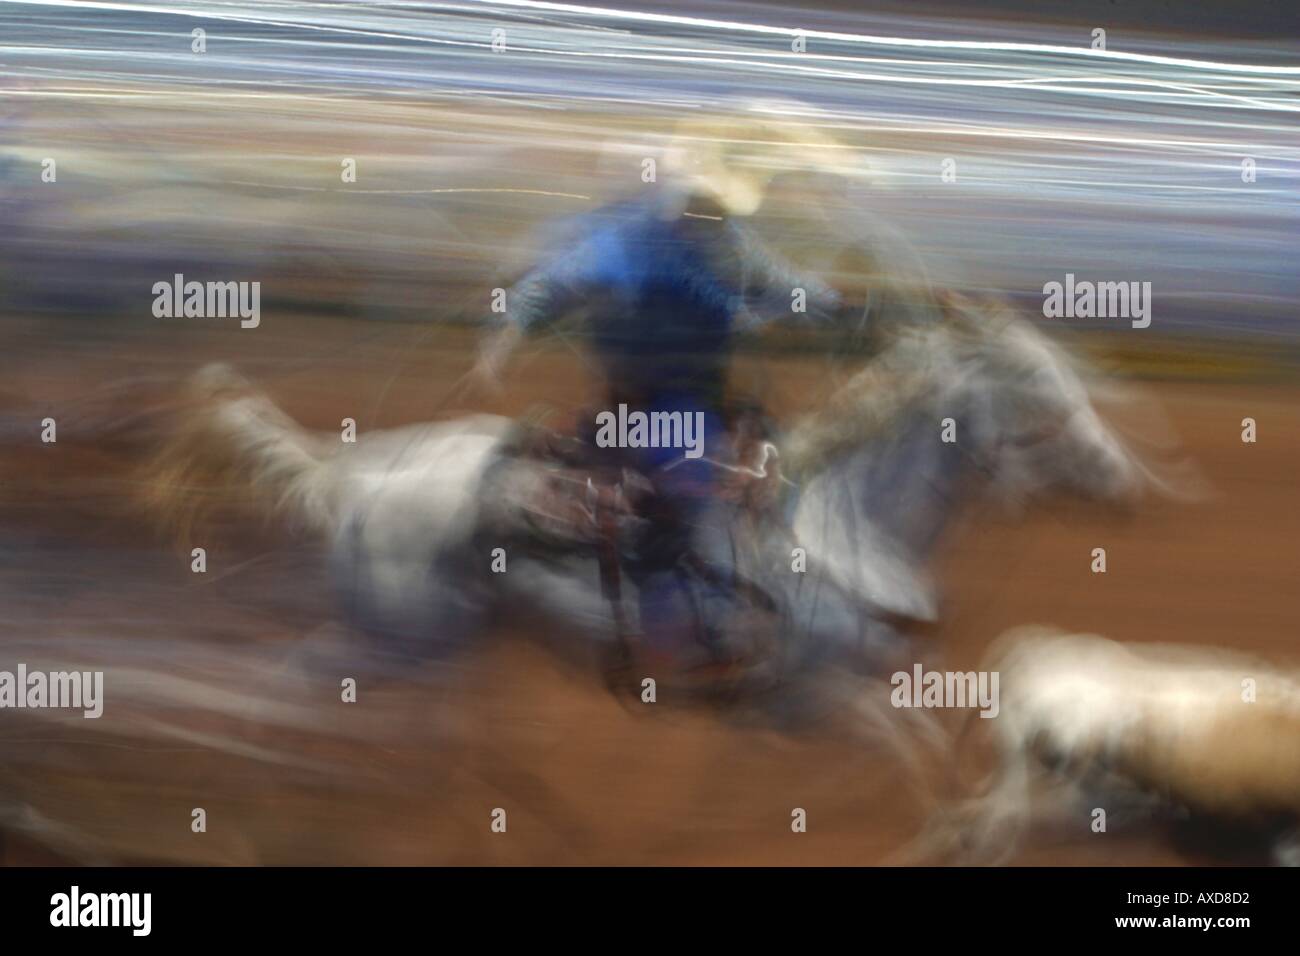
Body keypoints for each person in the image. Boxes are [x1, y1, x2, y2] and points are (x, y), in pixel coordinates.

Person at [472, 116, 845, 674]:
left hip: (705, 399)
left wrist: (843, 308)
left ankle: (775, 579)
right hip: (647, 406)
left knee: (785, 464)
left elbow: (795, 290)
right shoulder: (629, 241)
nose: (713, 212)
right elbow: (552, 285)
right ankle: (676, 622)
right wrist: (504, 334)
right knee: (692, 479)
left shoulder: (731, 244)